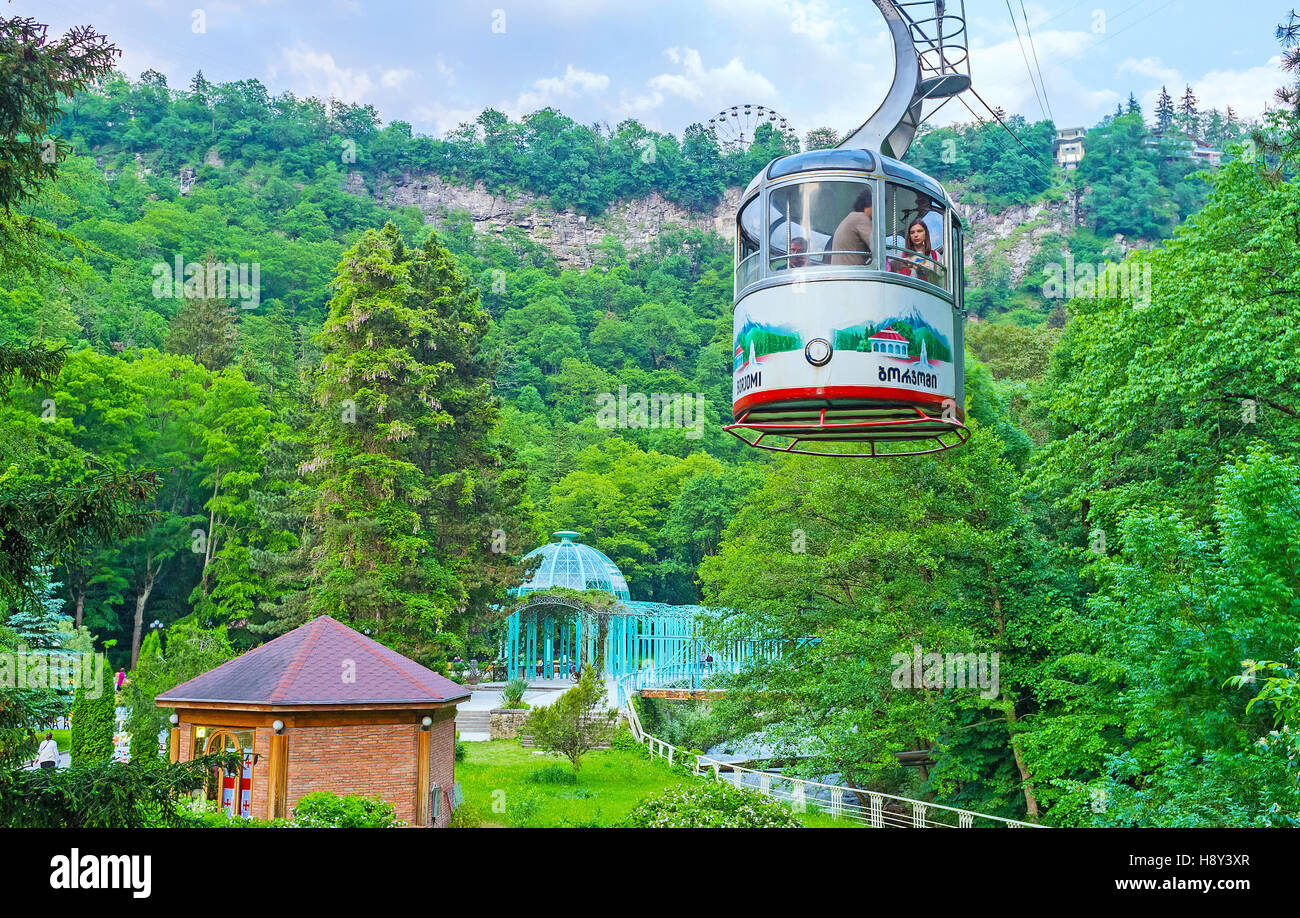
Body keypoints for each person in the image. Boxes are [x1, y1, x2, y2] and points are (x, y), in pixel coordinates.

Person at [830, 187, 874, 265]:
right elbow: (876, 245)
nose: (880, 213)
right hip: (853, 275)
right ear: (870, 204)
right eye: (879, 207)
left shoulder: (851, 217)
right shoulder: (861, 218)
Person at [890, 218, 940, 283]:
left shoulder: (935, 256)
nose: (915, 235)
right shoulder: (901, 255)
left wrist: (920, 263)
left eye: (919, 231)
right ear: (909, 236)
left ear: (926, 233)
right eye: (912, 232)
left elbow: (939, 281)